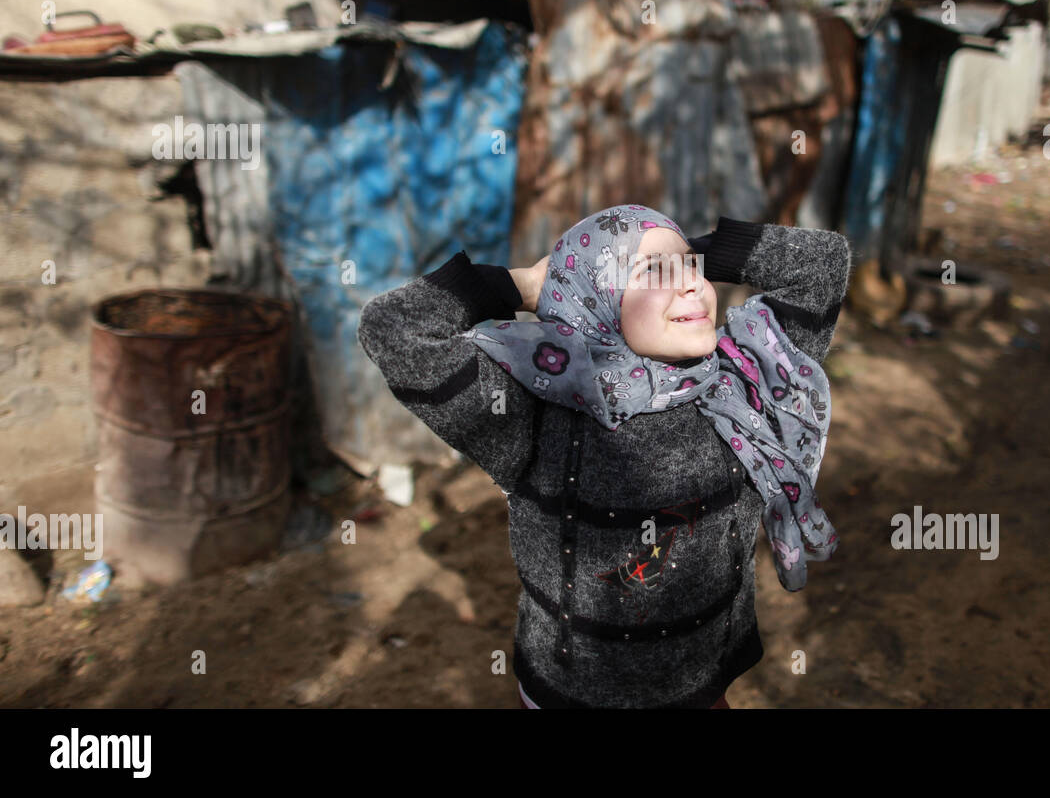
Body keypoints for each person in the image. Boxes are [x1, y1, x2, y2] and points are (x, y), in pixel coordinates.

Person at [357, 205, 850, 708]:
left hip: (702, 681)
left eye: (693, 270)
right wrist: (523, 285)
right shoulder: (535, 407)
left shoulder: (745, 376)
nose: (692, 286)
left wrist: (682, 249)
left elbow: (822, 263)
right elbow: (392, 330)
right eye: (652, 274)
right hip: (575, 694)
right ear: (593, 297)